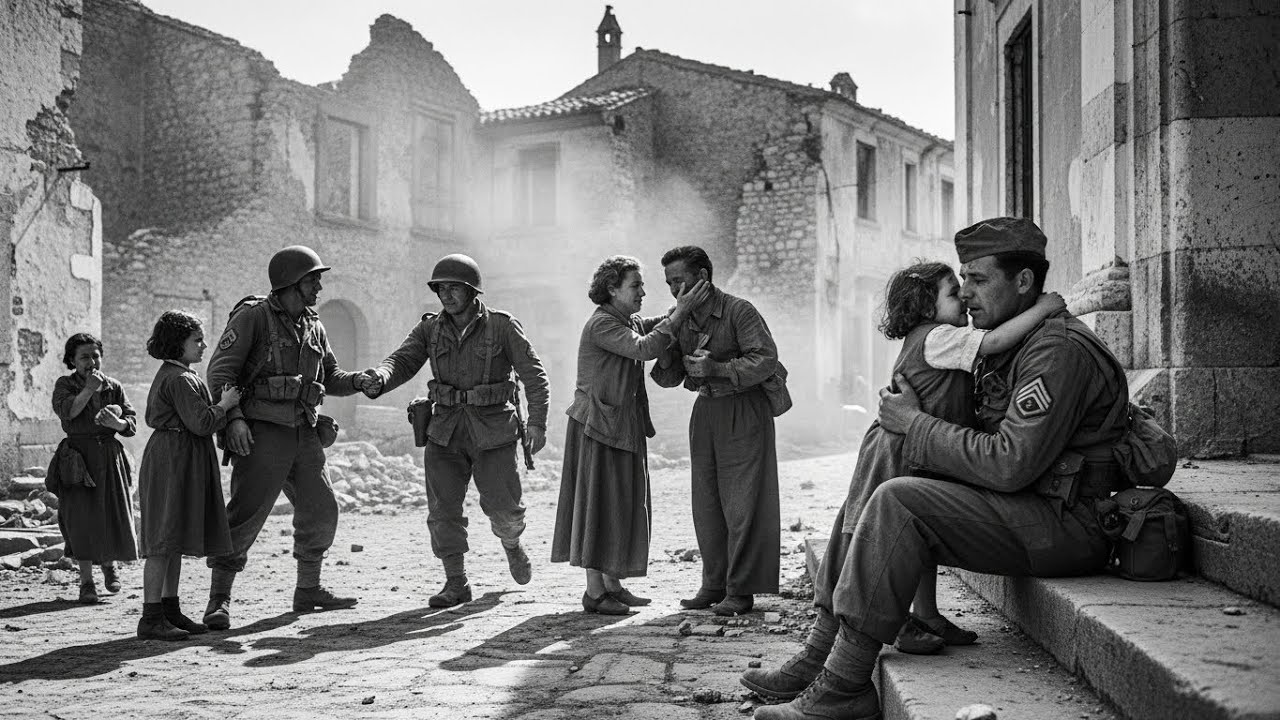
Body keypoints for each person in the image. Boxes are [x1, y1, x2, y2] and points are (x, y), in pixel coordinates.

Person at [751, 217, 1130, 720]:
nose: (967, 293)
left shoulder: (1055, 350)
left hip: (1069, 521)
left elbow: (1010, 463)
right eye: (962, 280)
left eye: (978, 280)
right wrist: (903, 428)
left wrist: (913, 423)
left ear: (1023, 282)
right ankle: (828, 652)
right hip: (1033, 506)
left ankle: (843, 683)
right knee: (886, 455)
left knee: (898, 496)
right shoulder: (1010, 339)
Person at [742, 261, 1066, 693]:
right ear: (926, 307)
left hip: (916, 448)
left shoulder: (932, 337)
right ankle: (817, 655)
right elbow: (996, 341)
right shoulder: (939, 337)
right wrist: (1045, 307)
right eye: (954, 292)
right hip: (899, 451)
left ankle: (925, 615)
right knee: (864, 532)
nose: (965, 299)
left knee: (918, 533)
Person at [360, 254, 550, 608]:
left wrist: (537, 422)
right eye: (440, 289)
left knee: (504, 509)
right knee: (443, 509)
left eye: (453, 288)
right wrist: (380, 377)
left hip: (493, 431)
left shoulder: (502, 326)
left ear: (471, 290)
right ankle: (456, 582)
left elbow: (534, 375)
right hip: (444, 431)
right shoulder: (430, 329)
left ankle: (512, 545)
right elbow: (401, 360)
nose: (445, 296)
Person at [203, 245, 370, 630]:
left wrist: (359, 381)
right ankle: (219, 601)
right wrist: (234, 421)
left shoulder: (314, 324)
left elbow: (329, 376)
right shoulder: (253, 318)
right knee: (244, 516)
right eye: (313, 280)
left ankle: (308, 589)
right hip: (260, 434)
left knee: (322, 509)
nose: (319, 288)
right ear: (292, 282)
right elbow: (220, 373)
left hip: (304, 432)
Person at [551, 256, 709, 615]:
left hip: (619, 426)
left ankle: (612, 584)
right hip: (597, 427)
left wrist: (682, 304)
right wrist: (680, 313)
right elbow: (645, 347)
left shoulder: (627, 320)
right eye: (635, 286)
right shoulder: (602, 325)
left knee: (619, 505)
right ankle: (594, 592)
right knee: (598, 506)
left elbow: (654, 325)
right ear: (612, 289)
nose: (643, 292)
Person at [650, 245, 781, 617]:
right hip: (706, 411)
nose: (674, 290)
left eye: (680, 281)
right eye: (669, 284)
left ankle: (741, 590)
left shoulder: (739, 310)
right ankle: (713, 583)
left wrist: (719, 369)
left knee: (742, 503)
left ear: (702, 278)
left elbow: (765, 359)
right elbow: (669, 377)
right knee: (707, 503)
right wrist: (667, 344)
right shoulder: (680, 318)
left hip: (744, 409)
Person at [136, 311, 241, 640]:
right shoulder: (179, 379)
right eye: (196, 340)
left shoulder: (180, 374)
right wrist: (225, 405)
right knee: (162, 540)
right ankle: (151, 617)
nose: (204, 345)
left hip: (180, 456)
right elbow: (202, 423)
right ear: (177, 343)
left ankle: (170, 610)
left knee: (174, 540)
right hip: (173, 459)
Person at [50, 333, 140, 604]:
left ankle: (109, 566)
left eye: (95, 355)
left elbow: (131, 422)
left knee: (110, 513)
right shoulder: (65, 384)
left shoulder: (114, 386)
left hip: (109, 459)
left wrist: (118, 424)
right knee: (81, 519)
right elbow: (67, 412)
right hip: (77, 460)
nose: (91, 362)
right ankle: (86, 582)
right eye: (84, 357)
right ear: (72, 360)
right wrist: (88, 389)